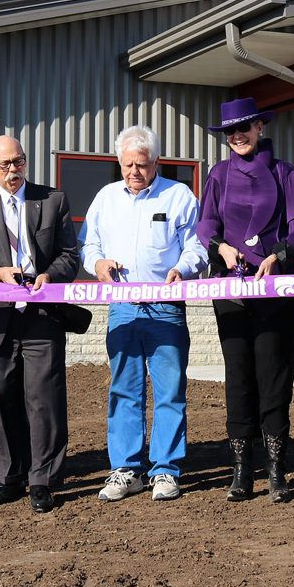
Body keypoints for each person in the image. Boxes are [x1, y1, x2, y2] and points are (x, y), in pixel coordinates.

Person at [79, 125, 207, 503]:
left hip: (166, 308)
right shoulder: (105, 198)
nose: (135, 172)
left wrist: (182, 269)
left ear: (156, 162)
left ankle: (165, 470)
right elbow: (89, 243)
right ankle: (126, 469)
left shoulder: (179, 195)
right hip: (122, 309)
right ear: (119, 162)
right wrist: (97, 263)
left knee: (169, 391)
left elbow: (196, 248)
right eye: (128, 165)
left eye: (143, 164)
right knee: (124, 390)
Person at [195, 97, 294, 503]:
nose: (238, 136)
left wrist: (278, 255)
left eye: (245, 127)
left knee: (273, 376)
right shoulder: (218, 175)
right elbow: (207, 222)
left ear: (260, 128)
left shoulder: (285, 173)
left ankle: (277, 470)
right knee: (239, 378)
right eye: (231, 131)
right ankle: (242, 470)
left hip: (274, 288)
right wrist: (219, 247)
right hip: (230, 289)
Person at [0, 135, 80, 514]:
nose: (13, 171)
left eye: (19, 162)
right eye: (6, 164)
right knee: (5, 399)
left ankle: (42, 480)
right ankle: (11, 476)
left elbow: (70, 256)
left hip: (42, 316)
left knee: (44, 401)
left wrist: (49, 276)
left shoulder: (52, 199)